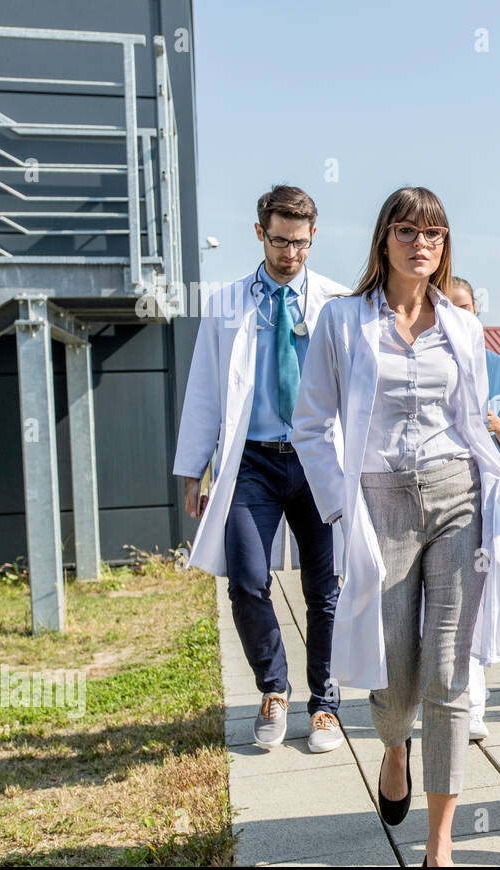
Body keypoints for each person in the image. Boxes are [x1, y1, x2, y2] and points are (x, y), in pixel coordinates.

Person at [292, 186, 500, 866]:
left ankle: (441, 841)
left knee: (451, 671)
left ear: (444, 246)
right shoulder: (342, 322)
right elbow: (312, 424)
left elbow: (474, 416)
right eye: (407, 231)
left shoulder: (458, 322)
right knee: (395, 670)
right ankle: (395, 745)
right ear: (383, 240)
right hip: (378, 504)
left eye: (434, 234)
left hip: (456, 496)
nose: (421, 244)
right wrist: (339, 505)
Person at [173, 185, 350, 754]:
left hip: (317, 459)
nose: (290, 254)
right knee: (247, 580)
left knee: (326, 589)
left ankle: (324, 703)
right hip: (251, 462)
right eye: (280, 241)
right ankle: (274, 689)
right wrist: (190, 470)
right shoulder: (227, 303)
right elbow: (203, 388)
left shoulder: (336, 302)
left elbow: (361, 395)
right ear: (260, 234)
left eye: (300, 243)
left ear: (313, 236)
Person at [449, 275, 500, 742]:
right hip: (448, 496)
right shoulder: (431, 362)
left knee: (489, 597)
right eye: (450, 307)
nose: (460, 315)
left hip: (495, 499)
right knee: (453, 600)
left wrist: (493, 424)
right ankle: (463, 701)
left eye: (466, 306)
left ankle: (473, 698)